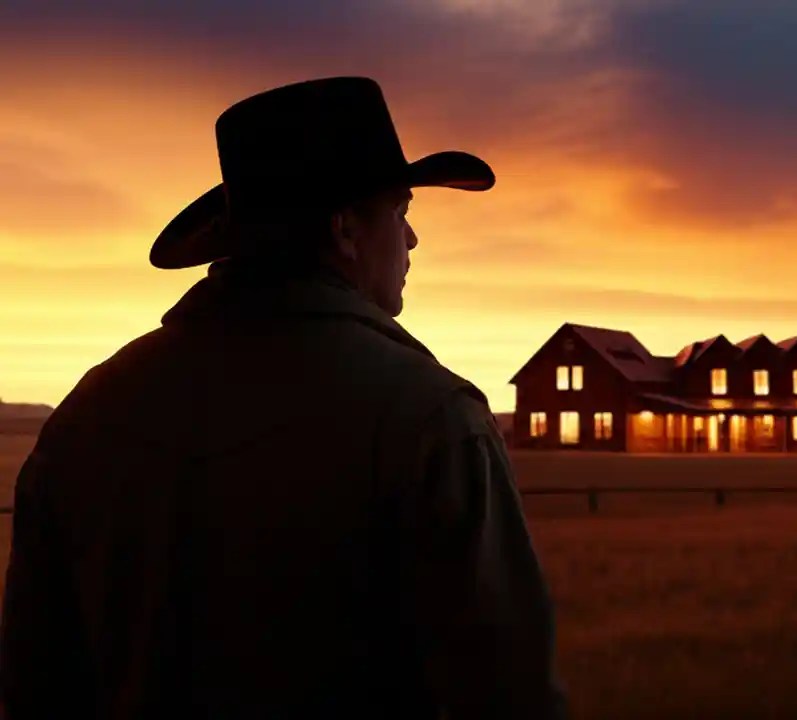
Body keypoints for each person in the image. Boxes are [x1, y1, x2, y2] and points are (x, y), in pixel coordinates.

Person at [0, 77, 567, 718]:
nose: (411, 242)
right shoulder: (430, 417)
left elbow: (33, 685)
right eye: (401, 212)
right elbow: (505, 694)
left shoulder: (85, 418)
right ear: (347, 230)